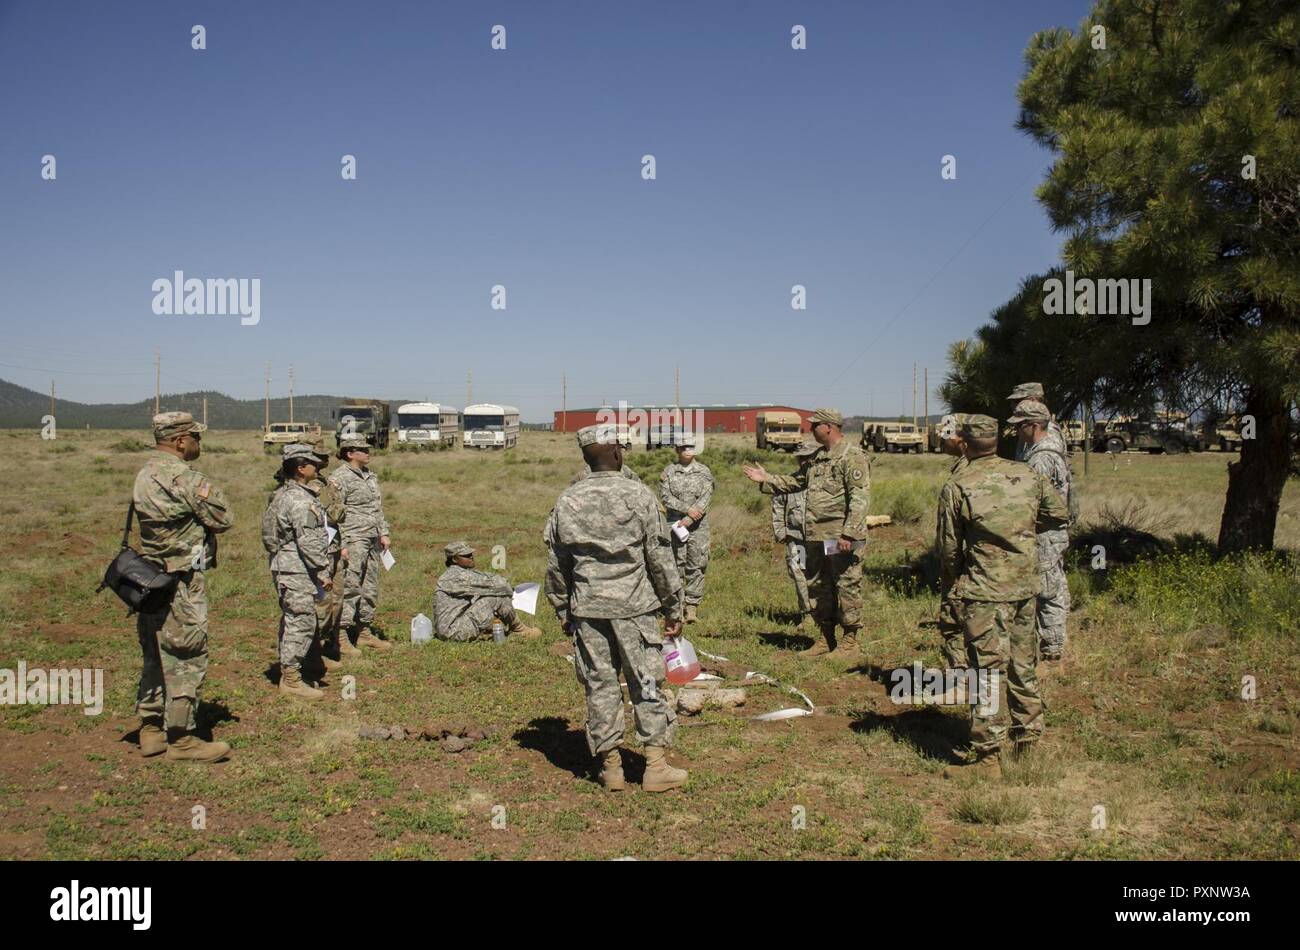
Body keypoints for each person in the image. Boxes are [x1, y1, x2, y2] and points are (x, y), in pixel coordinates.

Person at [544, 424, 688, 793]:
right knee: (647, 683)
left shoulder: (567, 501)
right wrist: (674, 608)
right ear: (617, 453)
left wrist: (564, 610)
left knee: (600, 685)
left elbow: (557, 566)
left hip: (588, 611)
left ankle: (611, 768)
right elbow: (660, 558)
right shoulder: (639, 496)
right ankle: (655, 766)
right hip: (634, 609)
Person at [936, 415, 1070, 775]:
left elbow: (948, 551)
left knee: (987, 671)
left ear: (964, 442)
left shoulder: (958, 485)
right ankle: (1028, 739)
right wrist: (1020, 530)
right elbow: (1059, 513)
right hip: (1026, 587)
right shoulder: (1027, 474)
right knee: (1023, 663)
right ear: (996, 440)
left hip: (985, 590)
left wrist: (954, 582)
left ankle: (989, 754)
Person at [131, 411, 233, 762]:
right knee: (186, 655)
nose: (198, 443)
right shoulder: (185, 478)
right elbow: (223, 518)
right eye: (195, 437)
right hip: (181, 582)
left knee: (154, 655)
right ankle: (182, 738)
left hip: (147, 580)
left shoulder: (144, 475)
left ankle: (150, 729)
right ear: (179, 441)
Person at [742, 408, 871, 658]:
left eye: (814, 426)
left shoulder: (852, 457)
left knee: (845, 584)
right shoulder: (816, 458)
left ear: (828, 427)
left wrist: (849, 535)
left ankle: (850, 643)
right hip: (816, 536)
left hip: (839, 538)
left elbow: (859, 498)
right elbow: (795, 482)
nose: (810, 429)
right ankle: (825, 638)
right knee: (819, 586)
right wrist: (765, 478)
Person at [262, 444, 333, 699]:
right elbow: (310, 541)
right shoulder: (300, 500)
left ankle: (297, 669)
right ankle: (291, 679)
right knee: (300, 620)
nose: (318, 467)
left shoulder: (281, 495)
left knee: (294, 618)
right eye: (313, 464)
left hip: (285, 565)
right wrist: (324, 571)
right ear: (302, 469)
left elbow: (269, 537)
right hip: (297, 569)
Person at [1008, 399, 1073, 661]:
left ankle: (1052, 648)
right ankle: (1054, 641)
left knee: (1047, 591)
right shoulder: (1044, 449)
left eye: (1020, 425)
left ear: (1033, 425)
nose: (1016, 431)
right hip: (1051, 532)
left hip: (1045, 533)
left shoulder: (1042, 457)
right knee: (1054, 584)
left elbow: (1034, 501)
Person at [330, 437, 392, 652]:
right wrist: (342, 544)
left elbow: (377, 507)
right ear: (349, 453)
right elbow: (334, 514)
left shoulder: (370, 476)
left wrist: (383, 532)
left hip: (372, 538)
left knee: (370, 586)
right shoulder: (339, 478)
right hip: (353, 539)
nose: (368, 453)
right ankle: (341, 634)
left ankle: (364, 630)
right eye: (362, 450)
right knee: (350, 586)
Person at [434, 541, 541, 641]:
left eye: (471, 554)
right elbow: (501, 585)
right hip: (454, 631)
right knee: (497, 598)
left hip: (449, 629)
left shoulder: (455, 574)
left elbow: (486, 582)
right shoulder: (457, 576)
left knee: (488, 595)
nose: (471, 557)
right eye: (466, 555)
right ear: (454, 559)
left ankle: (494, 627)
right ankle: (519, 630)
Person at [659, 438, 715, 624]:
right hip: (675, 525)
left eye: (691, 447)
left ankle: (692, 609)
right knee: (675, 566)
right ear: (677, 450)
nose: (688, 450)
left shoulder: (704, 471)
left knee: (696, 565)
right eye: (684, 447)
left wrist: (690, 518)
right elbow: (665, 497)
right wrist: (686, 510)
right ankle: (676, 607)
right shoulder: (669, 471)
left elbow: (705, 499)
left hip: (698, 527)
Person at [305, 440, 351, 663]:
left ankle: (332, 642)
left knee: (338, 597)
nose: (324, 460)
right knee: (320, 601)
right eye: (318, 457)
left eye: (325, 457)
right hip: (318, 550)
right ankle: (314, 651)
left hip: (333, 546)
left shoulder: (324, 482)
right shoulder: (307, 488)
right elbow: (331, 514)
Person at [934, 413, 970, 669]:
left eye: (948, 434)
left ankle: (962, 675)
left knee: (956, 617)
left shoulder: (965, 474)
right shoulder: (965, 466)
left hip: (964, 565)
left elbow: (952, 538)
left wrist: (950, 566)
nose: (942, 439)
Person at [770, 444, 818, 630]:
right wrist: (780, 530)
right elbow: (778, 504)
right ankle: (807, 615)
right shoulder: (789, 481)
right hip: (796, 536)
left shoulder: (824, 482)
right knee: (798, 572)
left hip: (822, 538)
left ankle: (827, 613)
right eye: (801, 457)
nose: (804, 461)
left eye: (808, 457)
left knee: (825, 574)